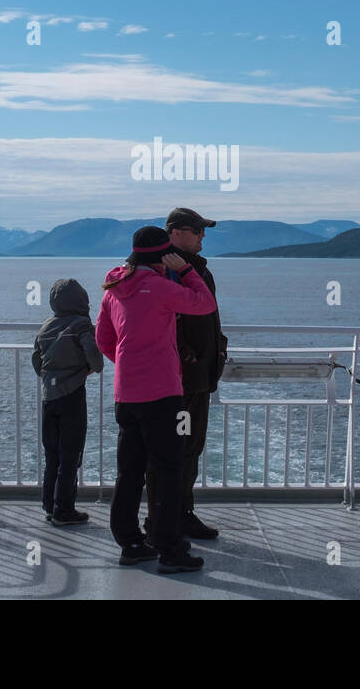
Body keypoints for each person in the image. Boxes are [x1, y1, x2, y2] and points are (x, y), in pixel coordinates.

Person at [95, 226, 217, 574]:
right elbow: (204, 304)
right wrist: (187, 270)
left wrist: (132, 365)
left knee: (129, 470)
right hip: (163, 394)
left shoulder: (113, 290)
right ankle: (170, 549)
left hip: (126, 395)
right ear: (163, 258)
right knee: (168, 469)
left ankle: (131, 543)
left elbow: (104, 340)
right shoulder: (163, 287)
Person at [145, 207, 227, 543]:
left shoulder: (193, 268)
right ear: (175, 232)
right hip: (179, 381)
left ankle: (181, 513)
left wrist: (216, 350)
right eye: (197, 230)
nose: (202, 236)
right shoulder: (164, 270)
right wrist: (187, 359)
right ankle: (162, 520)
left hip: (197, 379)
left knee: (190, 447)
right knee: (173, 450)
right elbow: (160, 318)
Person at [32, 278, 102, 525]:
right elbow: (93, 353)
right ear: (82, 300)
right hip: (72, 395)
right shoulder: (81, 324)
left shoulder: (46, 326)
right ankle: (64, 510)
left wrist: (49, 377)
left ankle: (49, 504)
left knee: (52, 454)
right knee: (71, 455)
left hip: (48, 398)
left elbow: (36, 360)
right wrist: (93, 368)